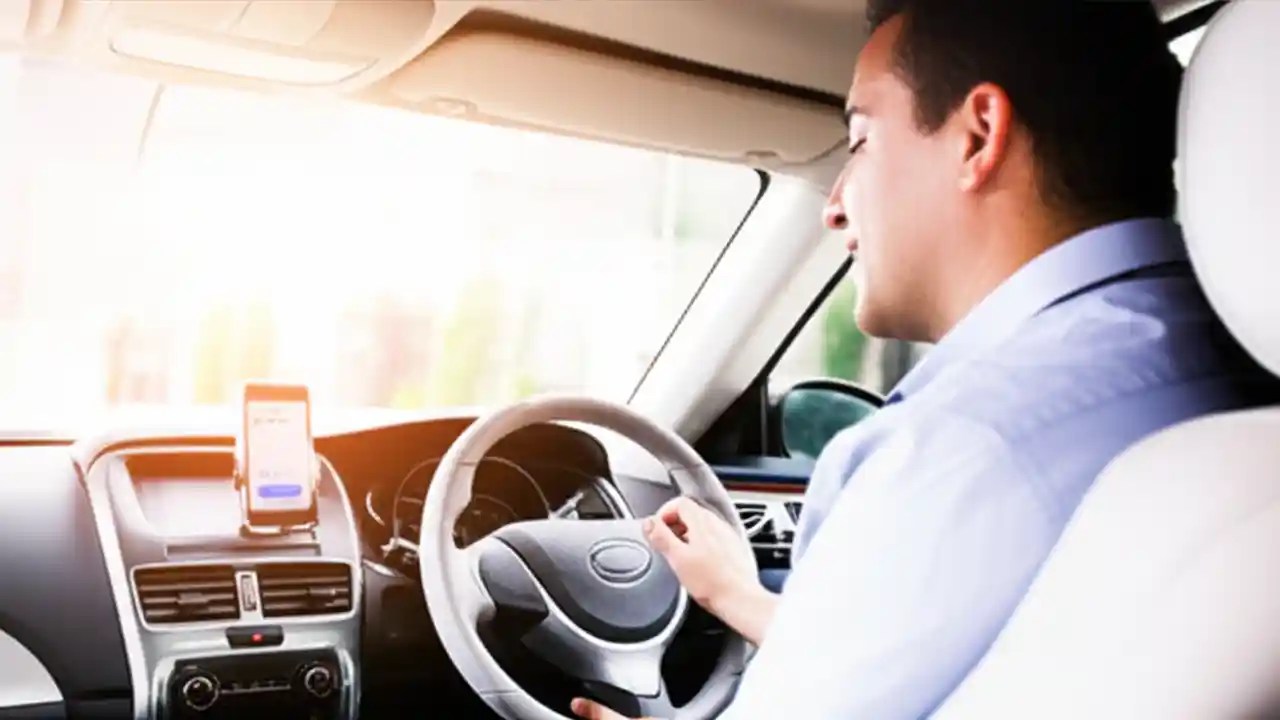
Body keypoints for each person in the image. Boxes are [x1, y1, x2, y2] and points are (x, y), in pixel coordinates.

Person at [573, 0, 1280, 718]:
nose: (834, 206)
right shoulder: (1232, 378)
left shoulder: (962, 447)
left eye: (859, 141)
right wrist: (744, 598)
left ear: (978, 135)